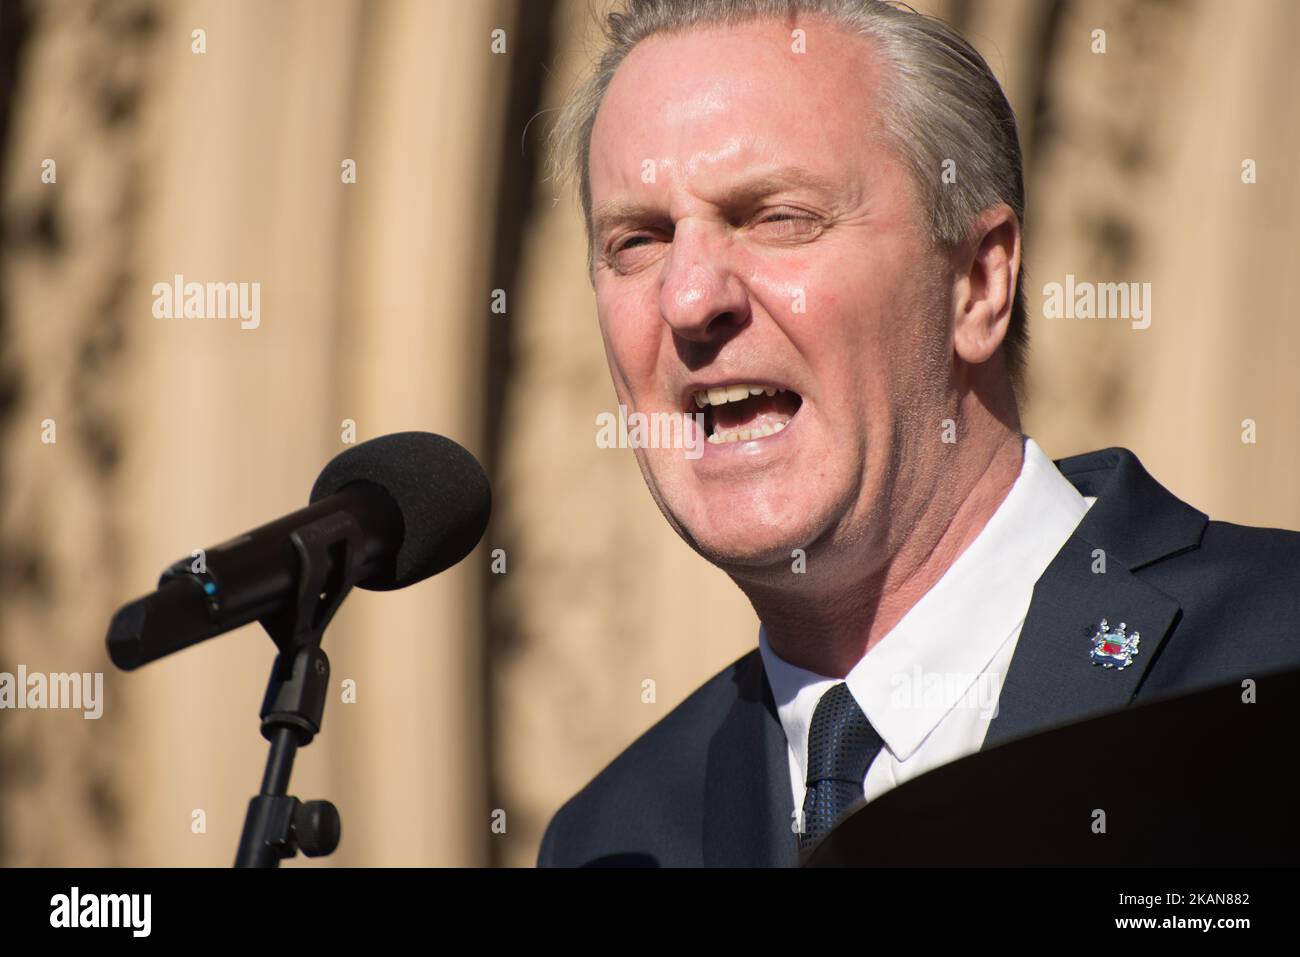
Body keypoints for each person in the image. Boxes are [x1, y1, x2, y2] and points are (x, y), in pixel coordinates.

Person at [536, 0, 1300, 867]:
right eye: (637, 241)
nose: (688, 297)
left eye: (779, 217)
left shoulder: (1272, 657)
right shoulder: (610, 839)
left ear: (977, 283)